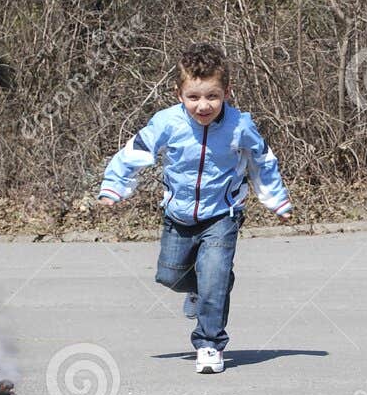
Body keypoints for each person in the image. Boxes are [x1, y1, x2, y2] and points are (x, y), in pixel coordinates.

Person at [98, 42, 291, 373]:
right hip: (178, 216)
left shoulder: (239, 125)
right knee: (169, 276)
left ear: (227, 92)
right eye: (194, 97)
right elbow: (136, 151)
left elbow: (263, 160)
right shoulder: (167, 122)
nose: (204, 105)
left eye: (212, 96)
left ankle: (209, 344)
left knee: (214, 276)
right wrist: (115, 186)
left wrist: (275, 199)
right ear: (179, 94)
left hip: (223, 215)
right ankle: (204, 290)